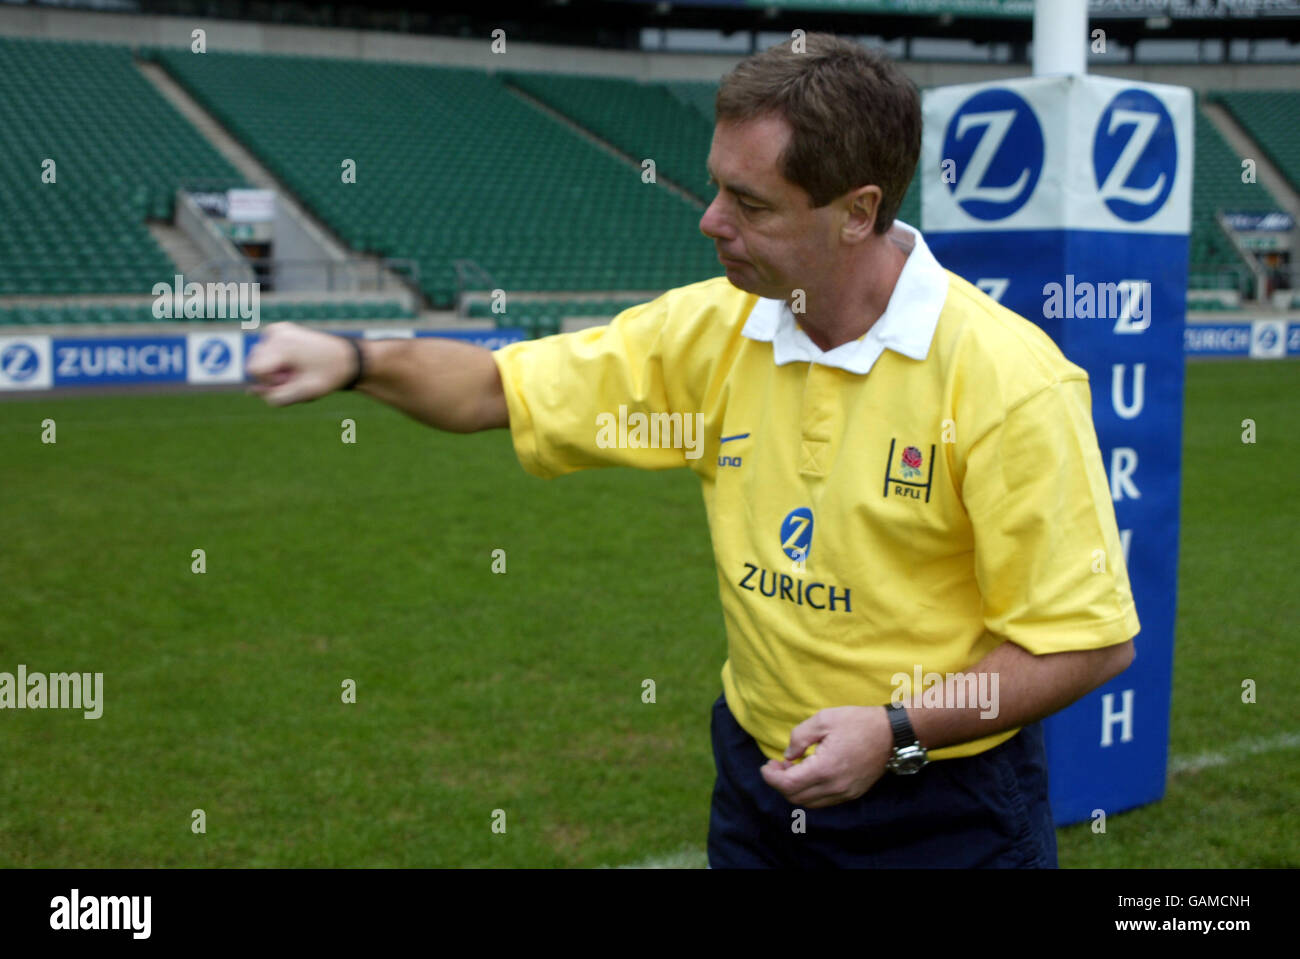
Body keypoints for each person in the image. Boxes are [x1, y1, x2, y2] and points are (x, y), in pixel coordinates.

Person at [247, 33, 1138, 869]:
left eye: (750, 203)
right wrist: (355, 359)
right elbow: (494, 388)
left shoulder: (1007, 379)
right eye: (715, 187)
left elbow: (1085, 645)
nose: (710, 221)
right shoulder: (711, 330)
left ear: (857, 211)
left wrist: (896, 729)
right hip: (758, 782)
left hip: (943, 804)